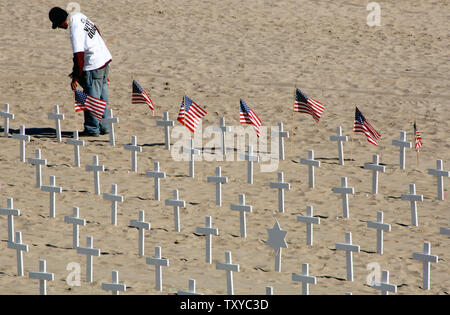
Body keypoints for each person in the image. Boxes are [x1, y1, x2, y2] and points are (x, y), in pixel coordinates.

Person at [49, 7, 112, 136]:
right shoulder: (78, 15)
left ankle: (92, 129)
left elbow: (79, 57)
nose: (61, 28)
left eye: (59, 25)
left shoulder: (74, 30)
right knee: (102, 96)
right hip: (104, 59)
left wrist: (75, 78)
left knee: (91, 98)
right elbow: (96, 29)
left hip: (93, 65)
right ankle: (104, 127)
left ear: (62, 22)